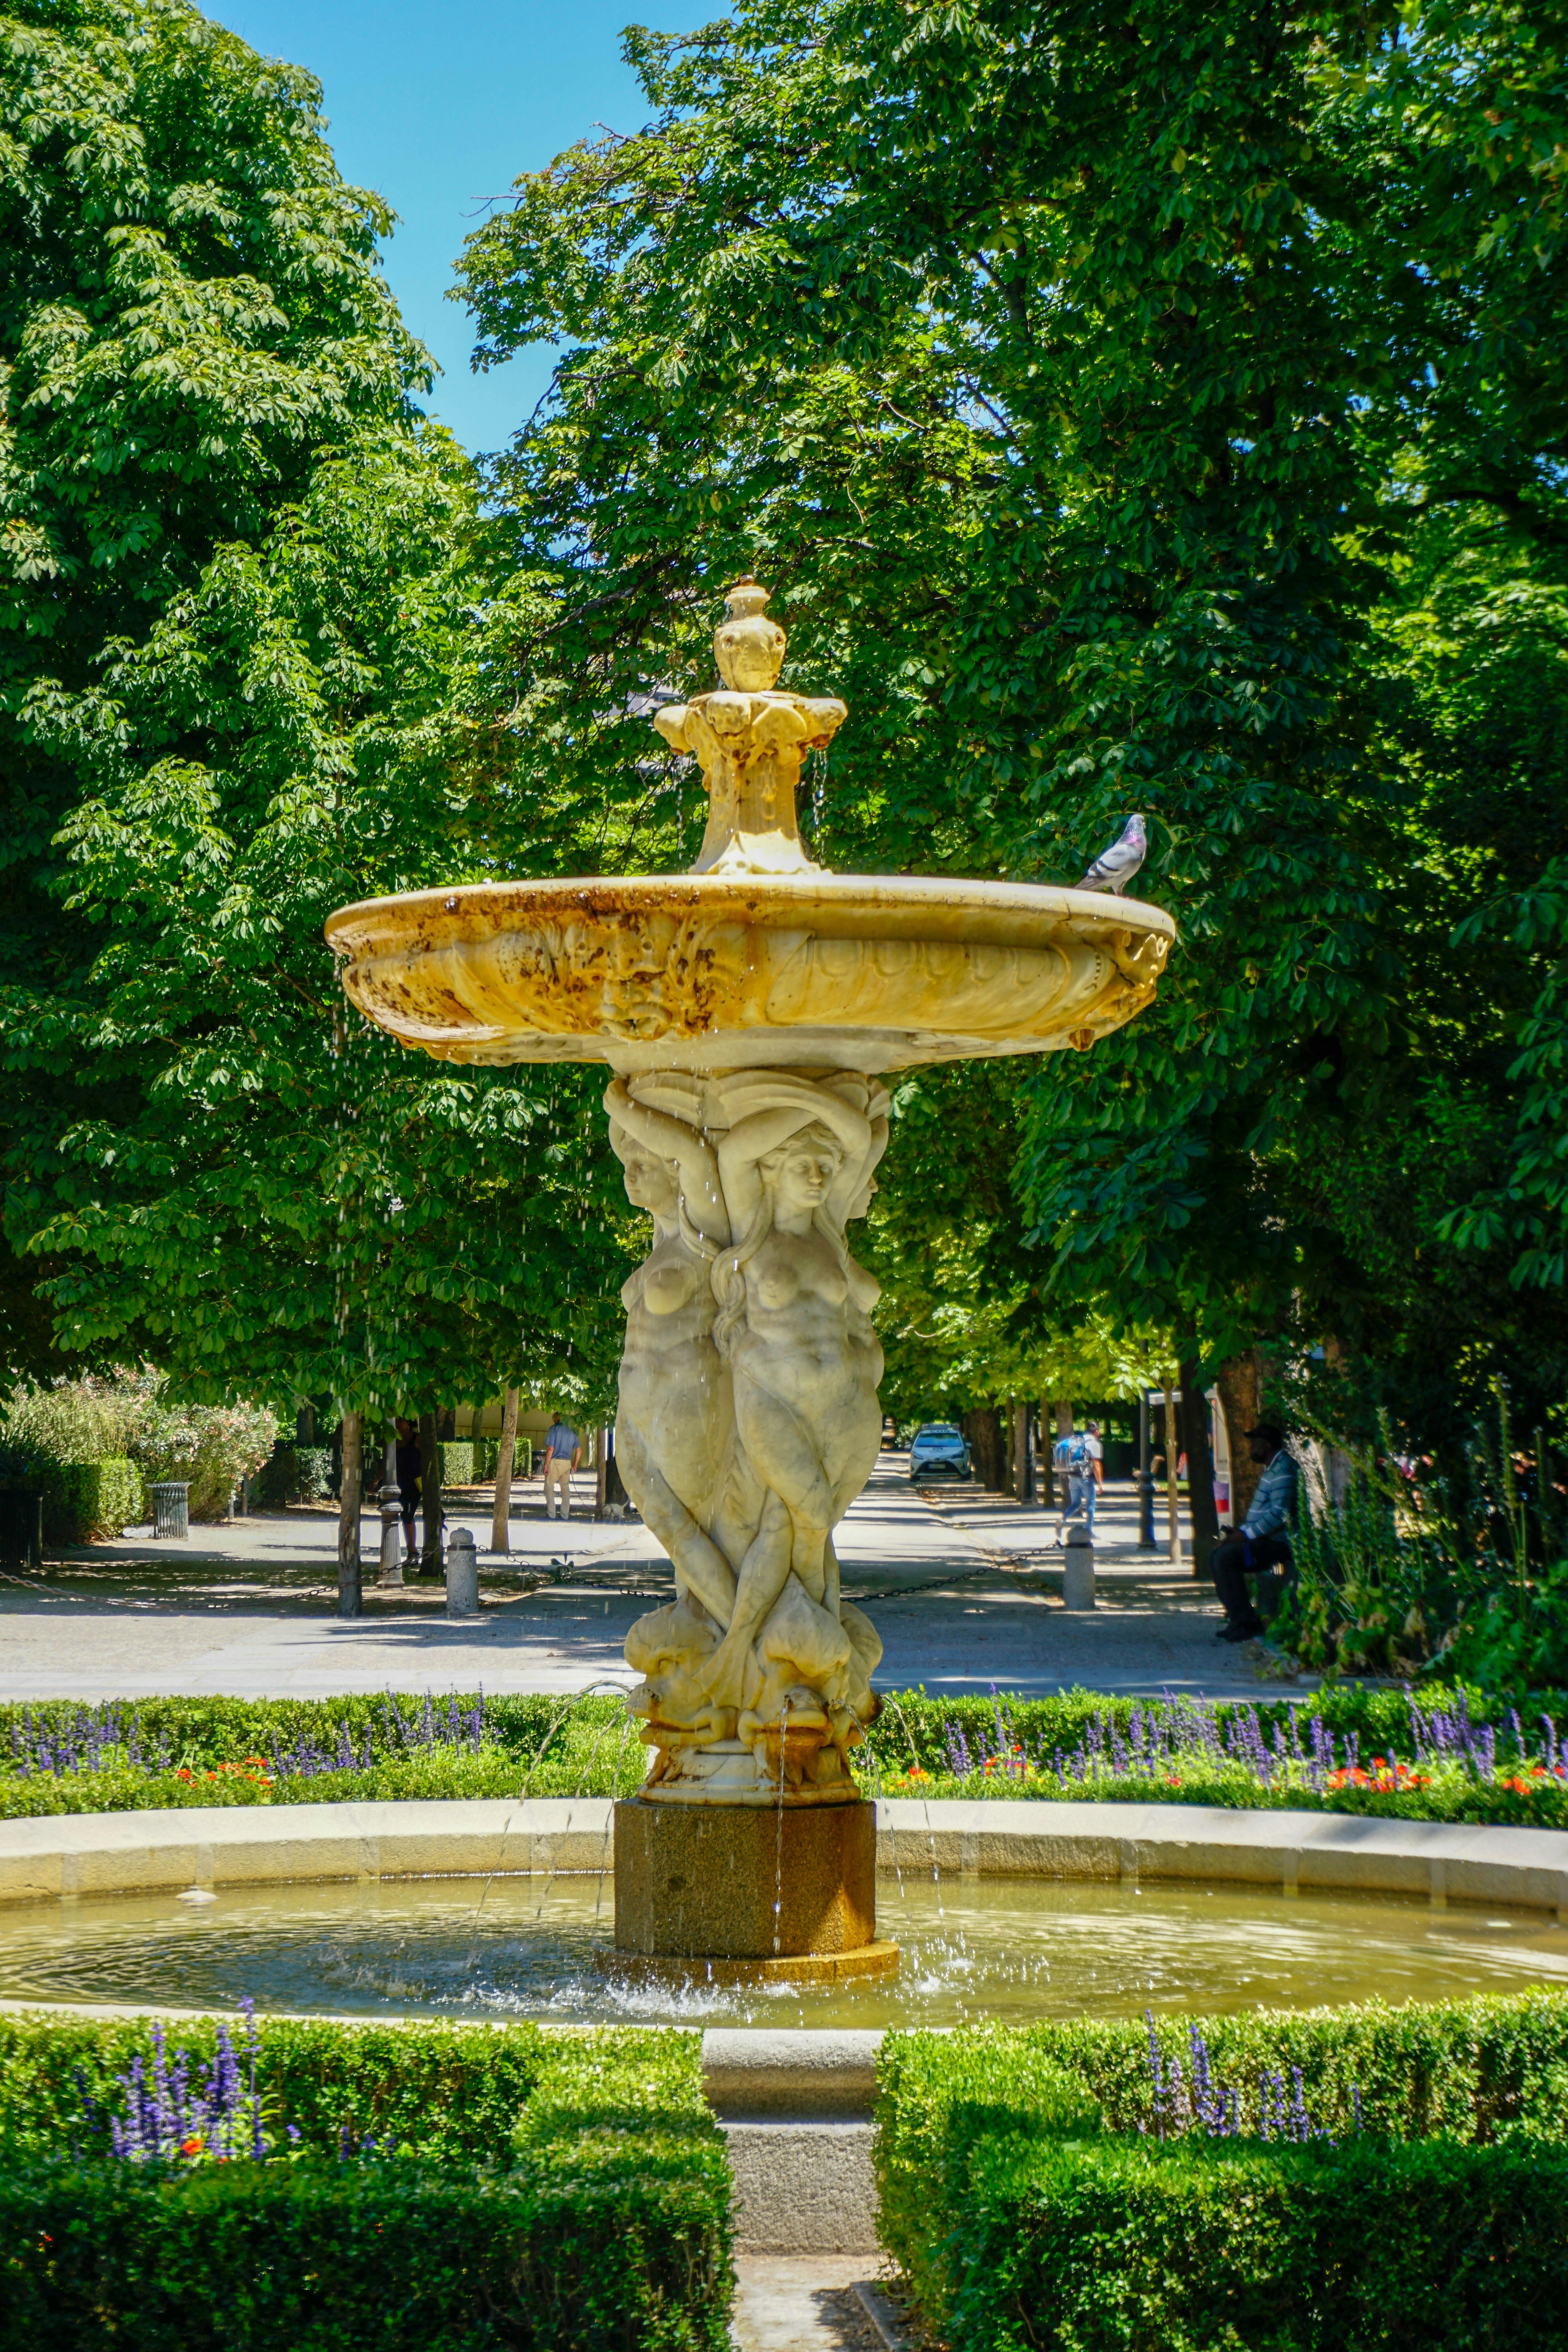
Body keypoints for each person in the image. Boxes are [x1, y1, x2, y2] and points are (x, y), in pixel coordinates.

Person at [1210, 1424, 1298, 1641]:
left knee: (1226, 1558)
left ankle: (1247, 1623)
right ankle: (1238, 1619)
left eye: (1254, 1443)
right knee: (1217, 1555)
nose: (1250, 1448)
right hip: (1264, 1540)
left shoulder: (1283, 1470)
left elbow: (1279, 1514)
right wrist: (1240, 1532)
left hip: (1277, 1544)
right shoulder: (1273, 1469)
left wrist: (1247, 1536)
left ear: (1267, 1445)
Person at [1053, 1420, 1103, 1541]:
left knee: (1076, 1504)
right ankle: (1089, 1531)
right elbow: (1096, 1464)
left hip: (1072, 1477)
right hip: (1085, 1477)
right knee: (1091, 1504)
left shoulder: (1078, 1441)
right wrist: (1100, 1483)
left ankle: (1063, 1519)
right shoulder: (1094, 1444)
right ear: (1096, 1432)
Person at [393, 1417, 422, 1567]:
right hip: (398, 1483)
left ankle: (413, 1552)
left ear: (409, 1423)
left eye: (401, 1421)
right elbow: (387, 1461)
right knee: (399, 1516)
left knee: (407, 1515)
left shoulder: (418, 1439)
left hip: (414, 1484)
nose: (397, 1424)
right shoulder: (394, 1440)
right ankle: (409, 1552)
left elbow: (427, 1461)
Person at [543, 1414, 580, 1520]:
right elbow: (579, 1450)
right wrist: (575, 1465)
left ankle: (552, 1513)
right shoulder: (573, 1430)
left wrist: (546, 1465)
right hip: (567, 1463)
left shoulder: (554, 1429)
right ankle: (565, 1514)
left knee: (549, 1487)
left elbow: (551, 1449)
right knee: (565, 1489)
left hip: (555, 1462)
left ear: (556, 1420)